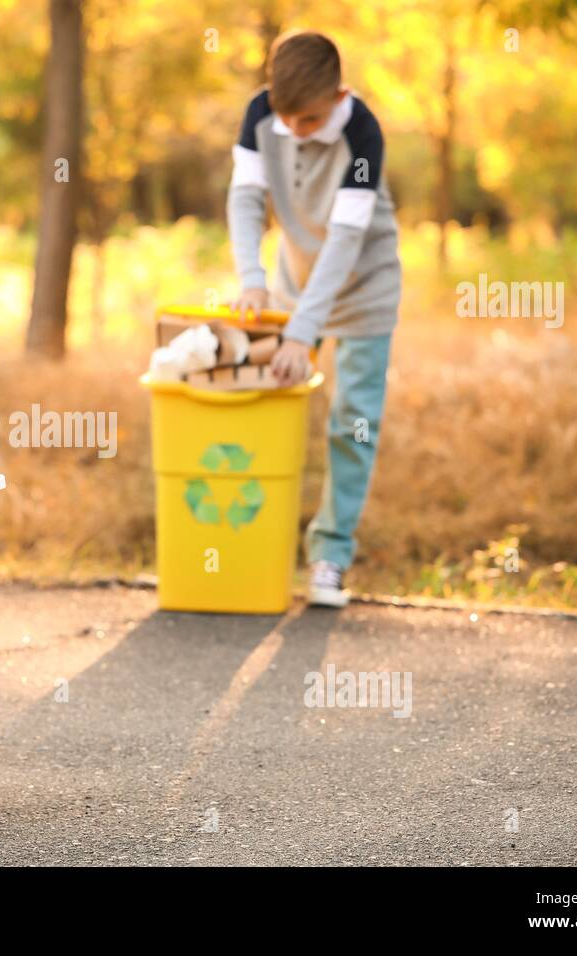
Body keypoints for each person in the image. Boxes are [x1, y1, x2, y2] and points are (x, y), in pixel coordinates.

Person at [227, 30, 401, 608]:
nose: (294, 131)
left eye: (308, 120)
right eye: (286, 118)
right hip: (292, 283)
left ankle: (329, 555)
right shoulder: (262, 114)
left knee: (351, 422)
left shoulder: (363, 135)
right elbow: (247, 200)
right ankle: (252, 541)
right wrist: (252, 277)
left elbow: (347, 240)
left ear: (338, 94)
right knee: (265, 401)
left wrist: (304, 333)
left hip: (363, 289)